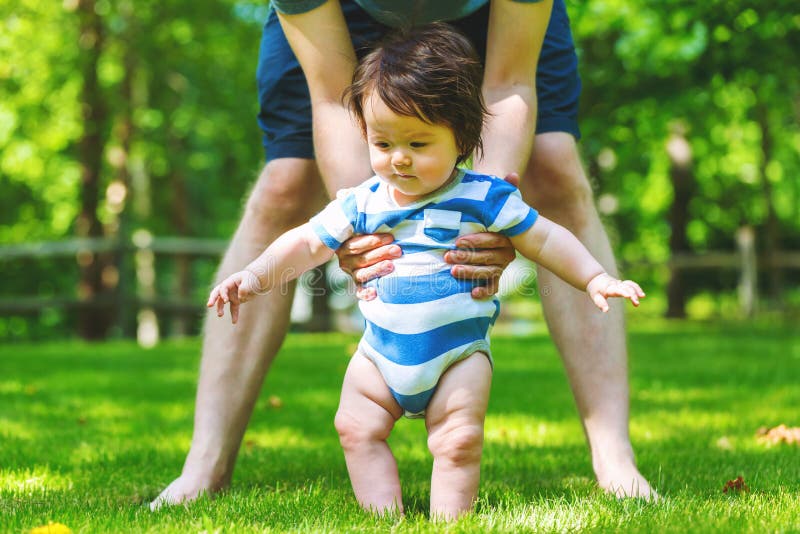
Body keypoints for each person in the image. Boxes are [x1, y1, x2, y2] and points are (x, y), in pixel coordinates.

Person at [151, 0, 657, 509]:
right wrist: (354, 225)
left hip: (498, 25)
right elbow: (332, 98)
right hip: (332, 24)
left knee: (556, 167)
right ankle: (206, 463)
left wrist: (489, 210)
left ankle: (614, 457)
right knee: (285, 185)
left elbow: (507, 83)